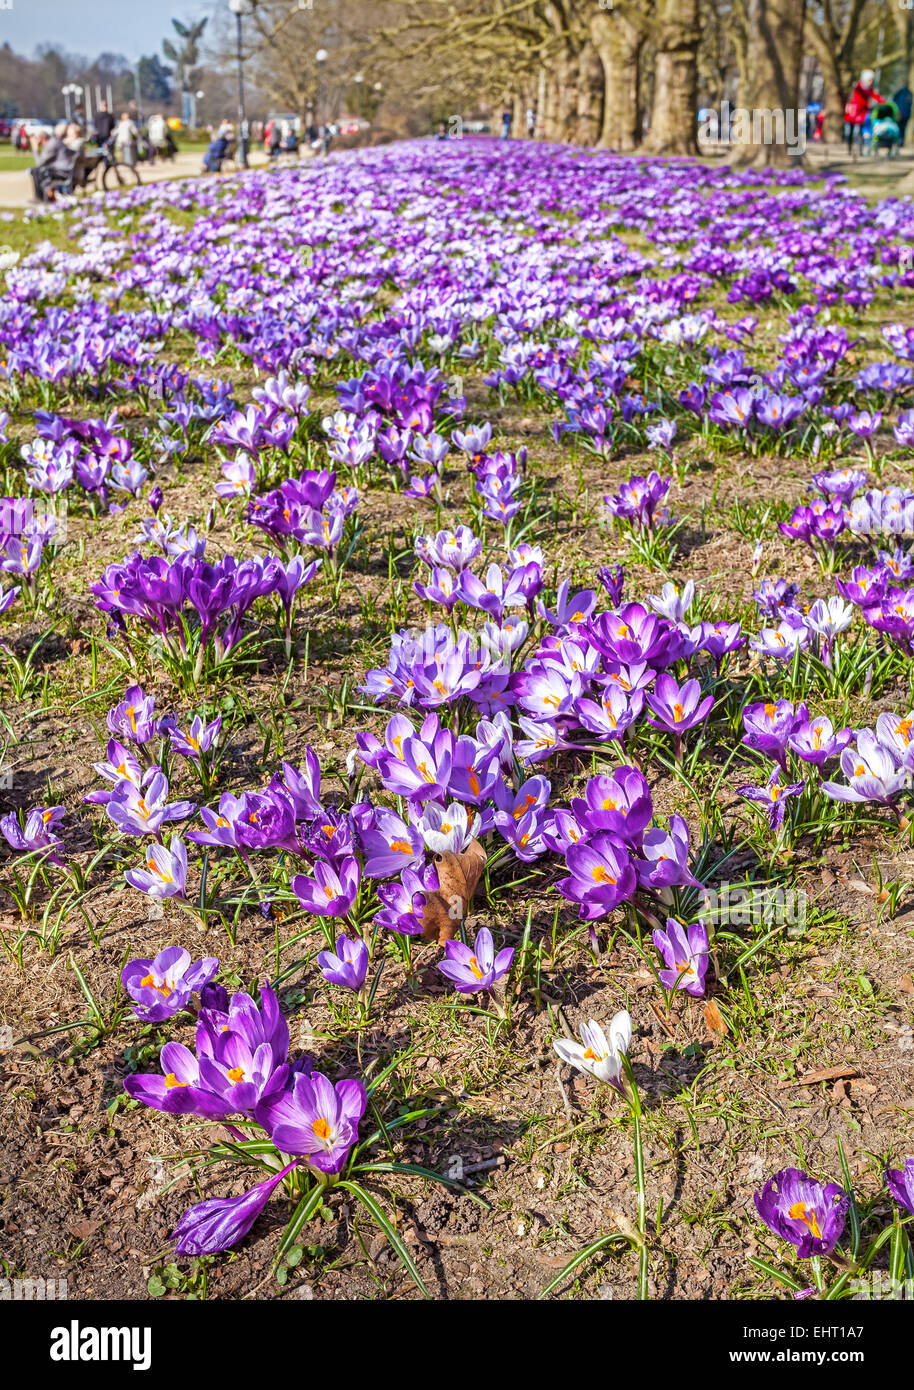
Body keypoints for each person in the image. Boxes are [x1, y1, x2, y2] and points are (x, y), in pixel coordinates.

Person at [30, 121, 80, 201]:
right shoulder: (56, 141)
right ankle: (46, 196)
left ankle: (40, 198)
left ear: (42, 139)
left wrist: (35, 148)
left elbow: (39, 163)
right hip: (67, 170)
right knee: (38, 170)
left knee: (36, 171)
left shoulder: (51, 143)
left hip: (62, 172)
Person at [844, 68, 883, 158]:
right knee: (851, 130)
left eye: (871, 80)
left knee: (862, 130)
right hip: (854, 110)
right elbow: (851, 97)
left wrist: (882, 101)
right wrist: (848, 106)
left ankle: (860, 150)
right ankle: (849, 149)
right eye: (869, 80)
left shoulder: (869, 89)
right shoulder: (857, 87)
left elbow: (875, 96)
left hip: (862, 111)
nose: (871, 82)